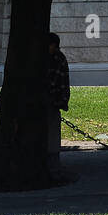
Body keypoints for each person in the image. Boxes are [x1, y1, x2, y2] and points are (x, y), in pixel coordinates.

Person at [47, 32, 70, 171]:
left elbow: (56, 81)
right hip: (54, 100)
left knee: (52, 132)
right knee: (52, 132)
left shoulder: (56, 59)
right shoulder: (58, 58)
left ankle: (52, 160)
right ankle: (52, 160)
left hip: (52, 101)